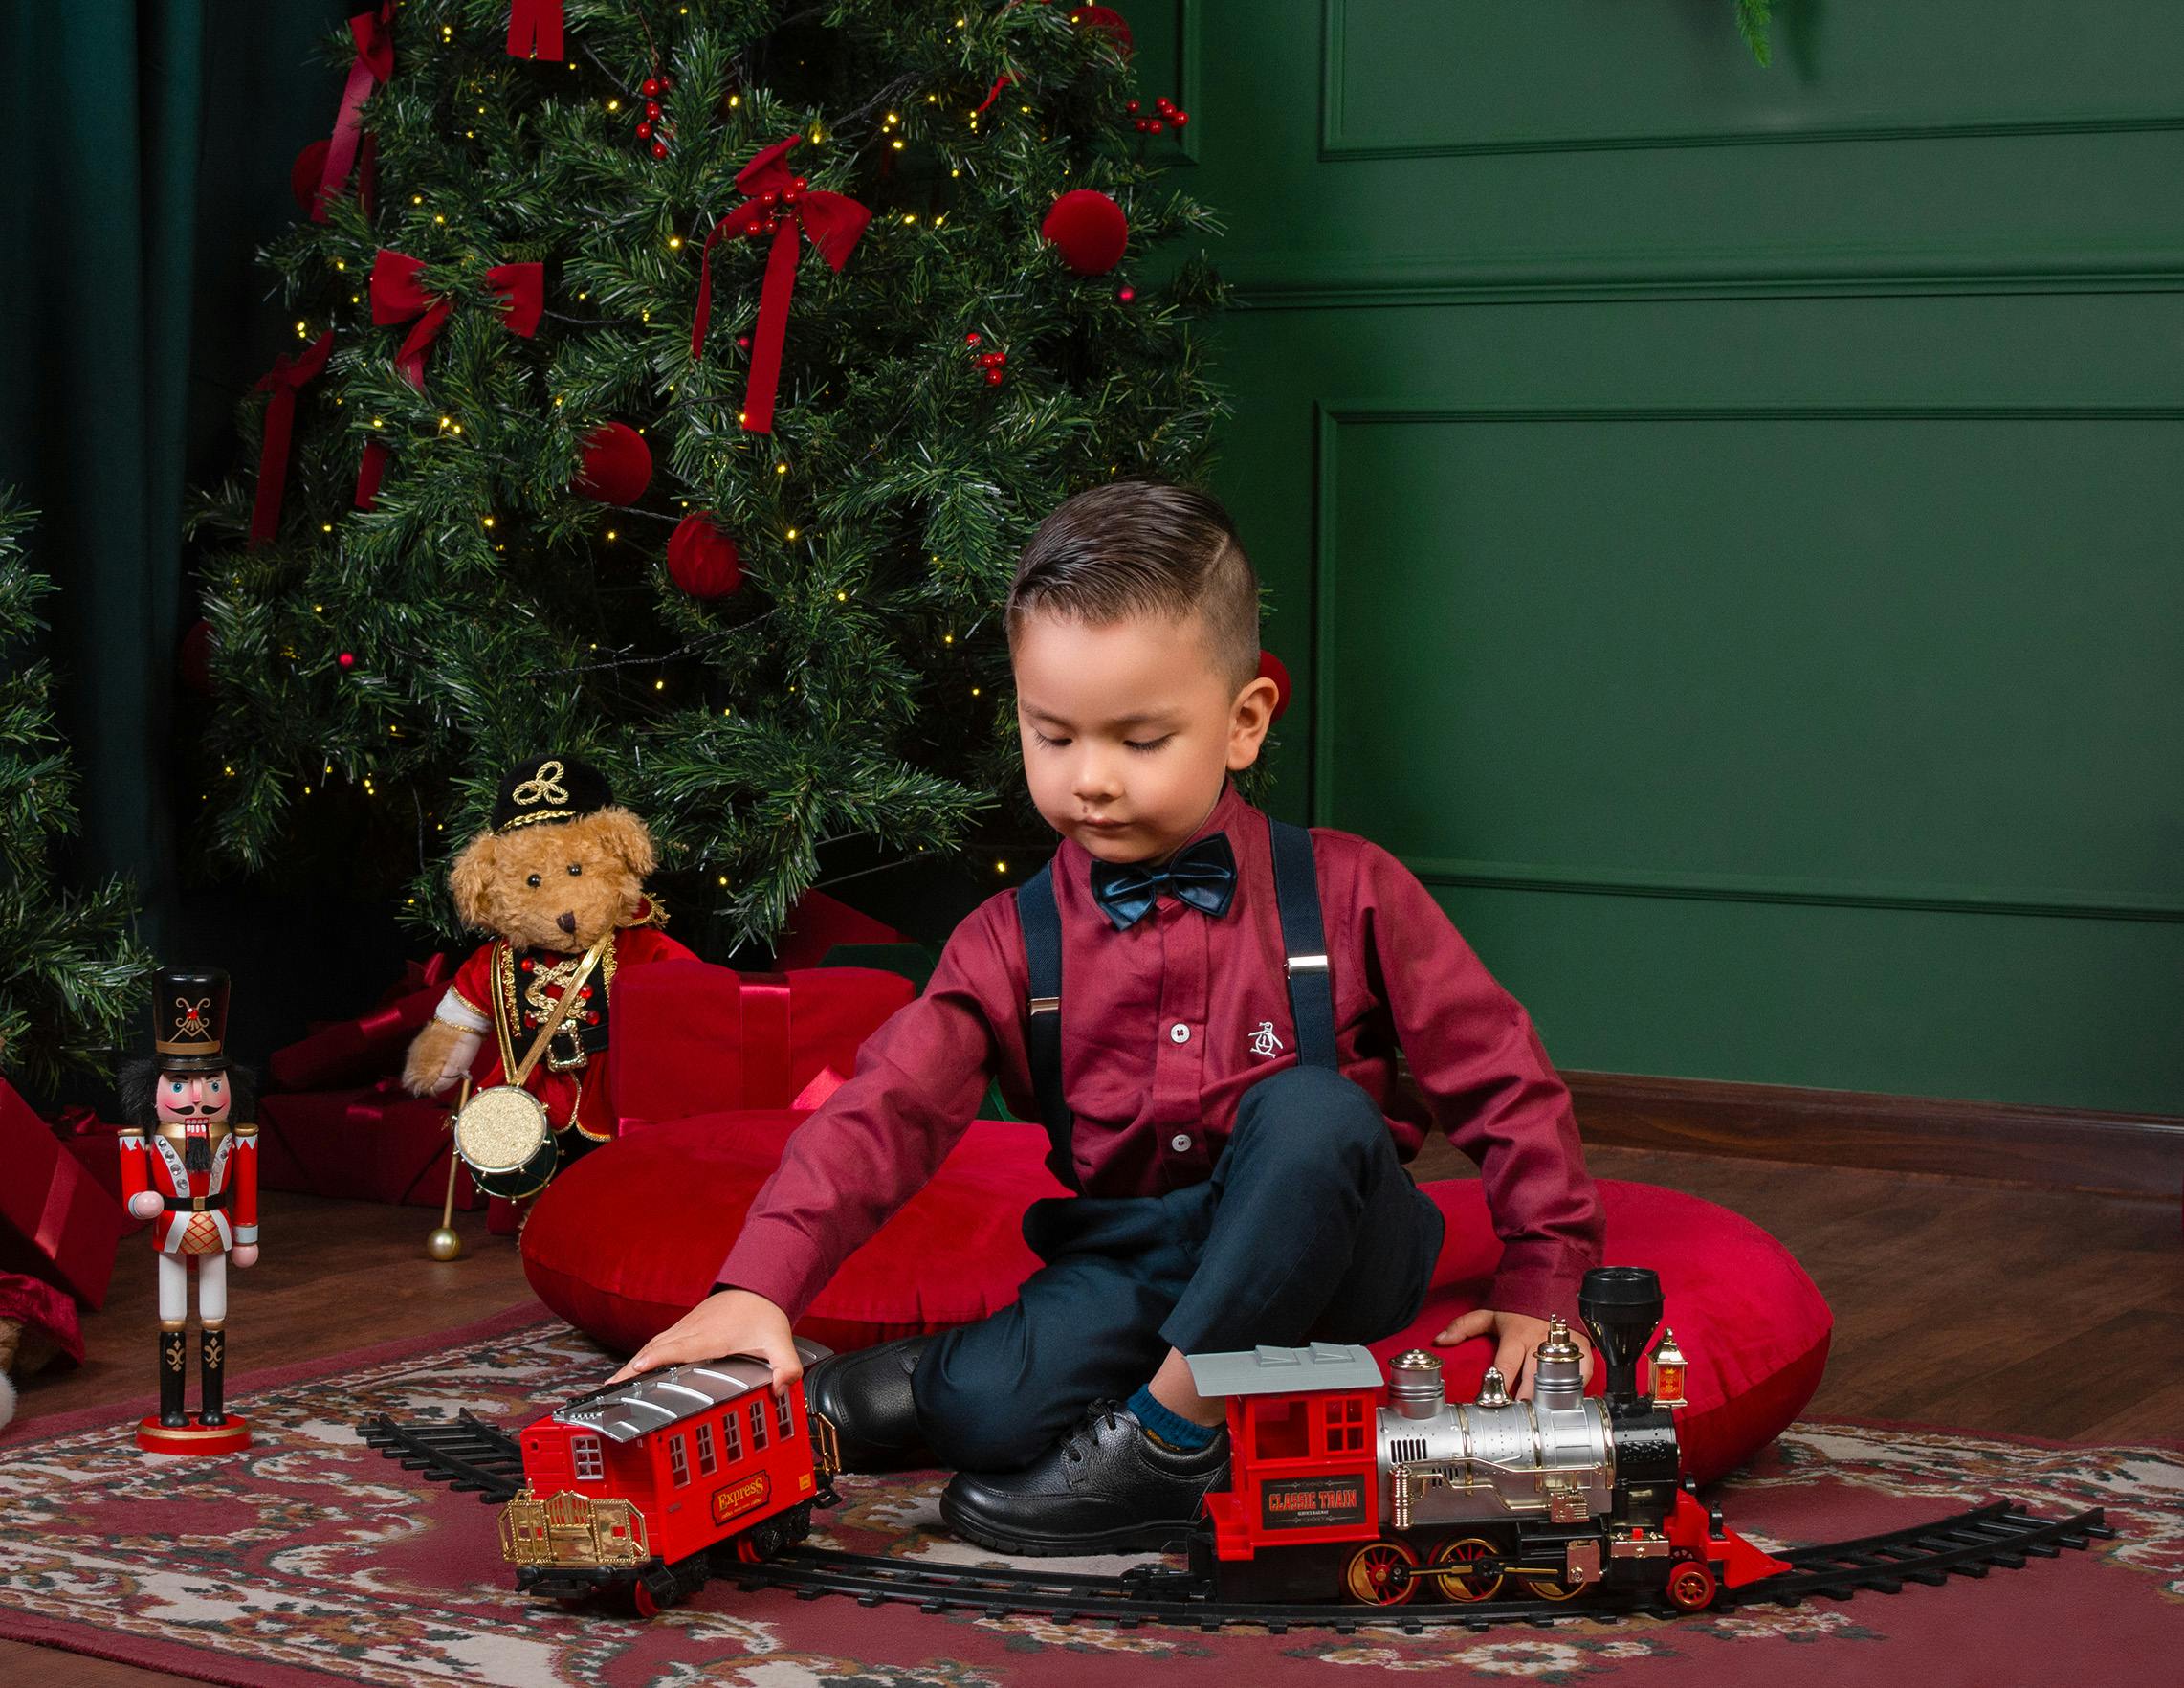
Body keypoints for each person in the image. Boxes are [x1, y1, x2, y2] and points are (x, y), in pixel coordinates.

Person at [611, 479, 1604, 1555]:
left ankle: (1167, 1444)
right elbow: (883, 1111)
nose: (1089, 781)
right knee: (985, 1417)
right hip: (1139, 1255)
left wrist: (1543, 1278)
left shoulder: (1351, 888)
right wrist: (760, 1284)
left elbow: (1502, 1076)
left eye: (1139, 741)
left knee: (1312, 1112)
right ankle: (911, 1384)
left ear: (1243, 724)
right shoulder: (1009, 939)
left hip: (1339, 1249)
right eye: (1053, 737)